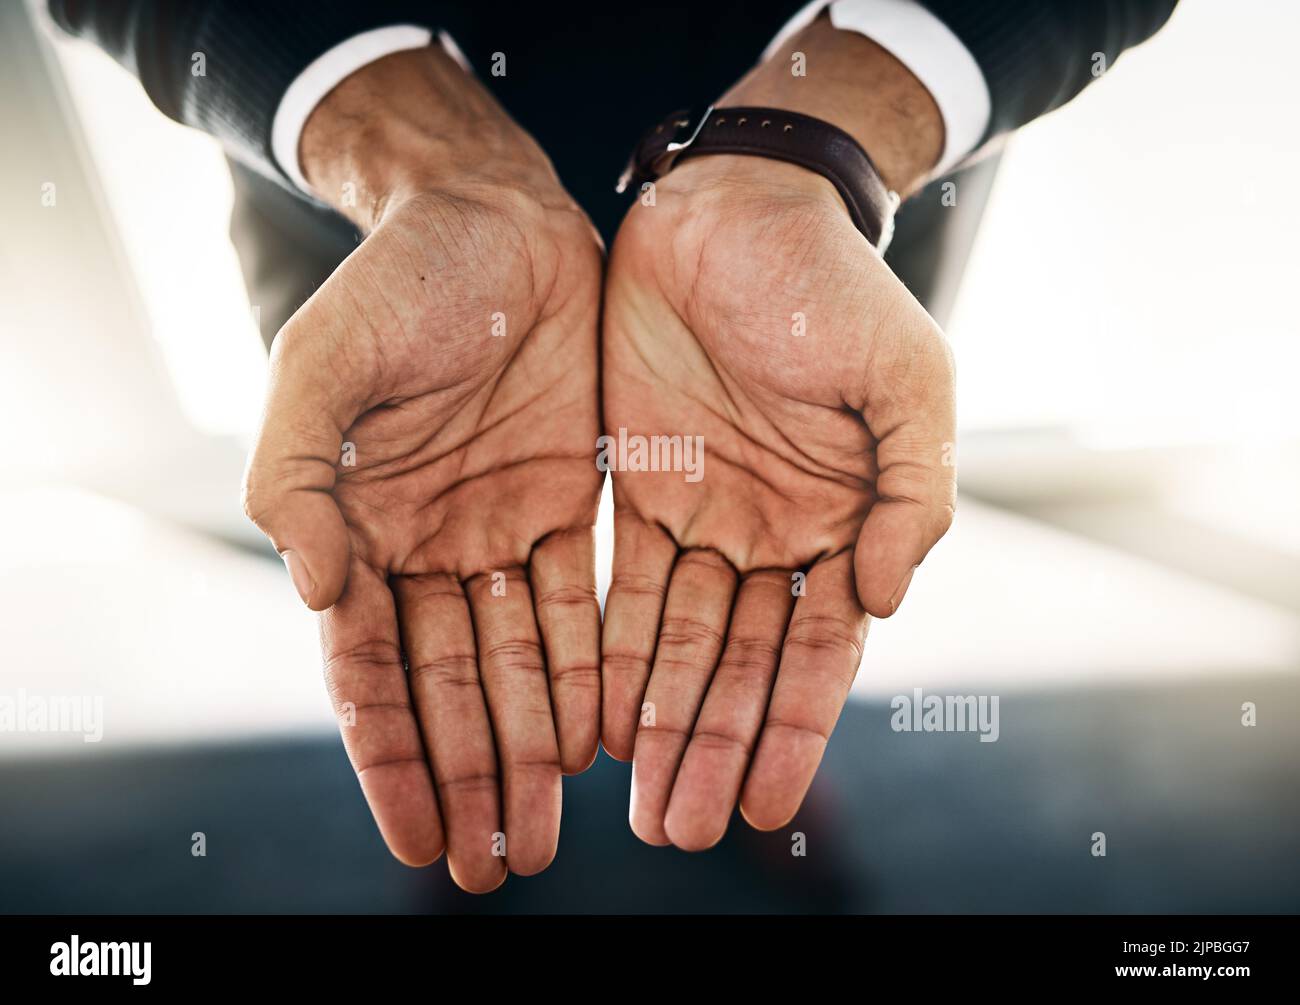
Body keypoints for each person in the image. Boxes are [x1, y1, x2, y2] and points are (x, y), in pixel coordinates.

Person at [48, 0, 1179, 893]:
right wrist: (409, 147)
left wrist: (830, 130)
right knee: (421, 585)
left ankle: (748, 790)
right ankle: (474, 811)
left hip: (809, 248)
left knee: (778, 570)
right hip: (389, 249)